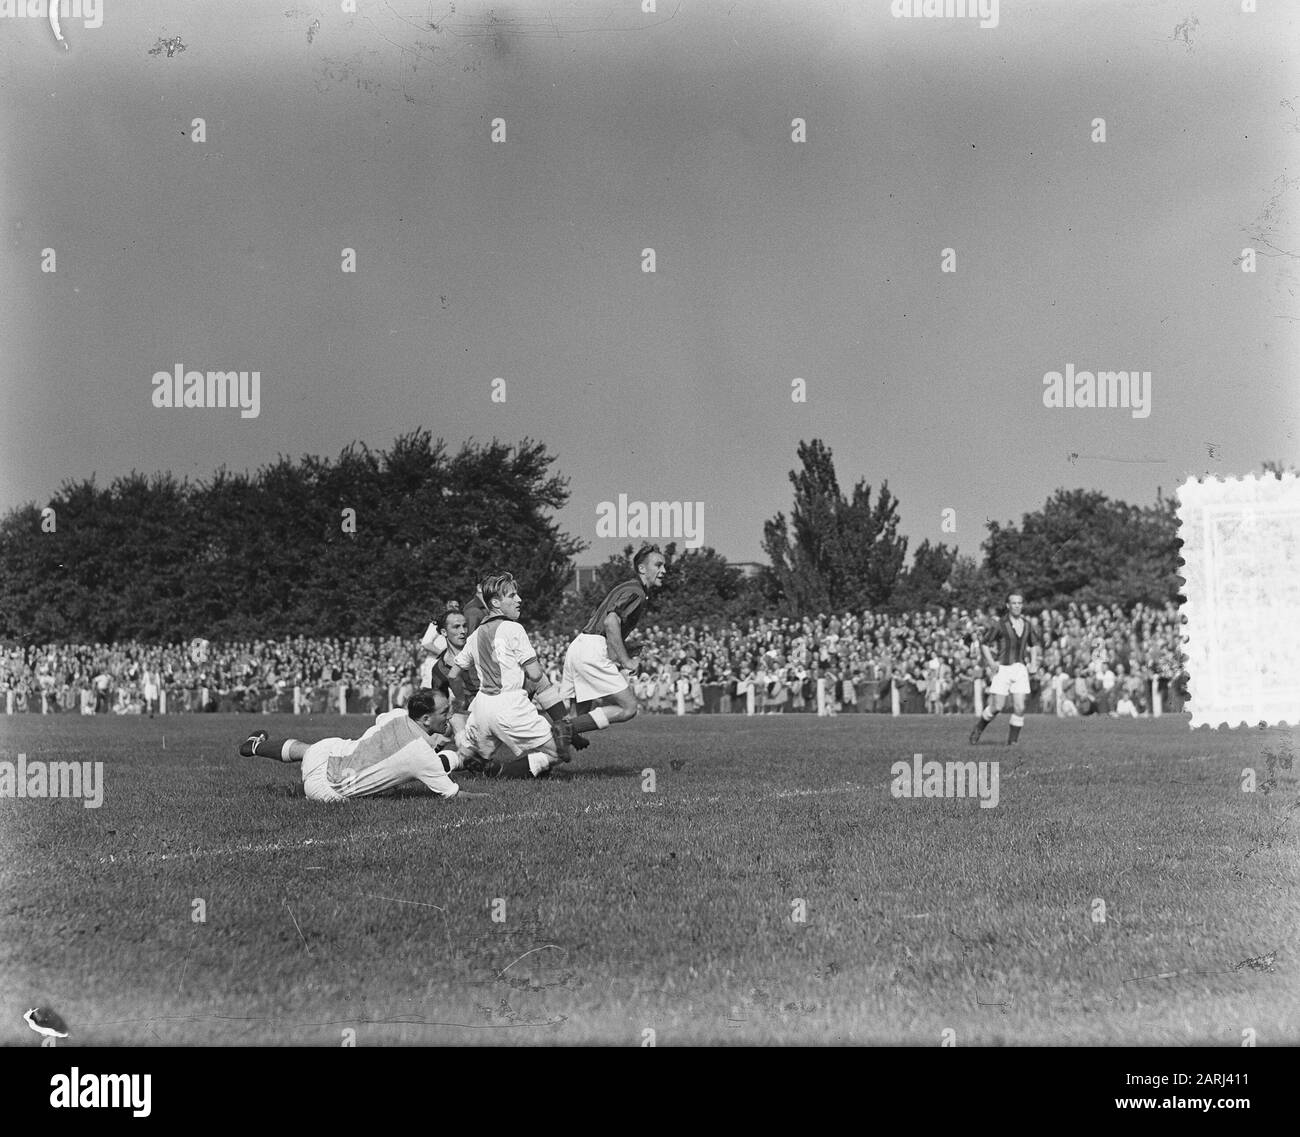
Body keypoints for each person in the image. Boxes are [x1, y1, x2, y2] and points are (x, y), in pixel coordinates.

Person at [445, 572, 572, 779]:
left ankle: (428, 766)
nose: (519, 600)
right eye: (512, 596)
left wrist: (460, 699)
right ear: (496, 602)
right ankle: (505, 772)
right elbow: (535, 673)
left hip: (482, 706)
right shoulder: (514, 628)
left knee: (468, 755)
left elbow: (453, 674)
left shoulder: (475, 634)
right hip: (510, 704)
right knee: (560, 751)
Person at [238, 688, 463, 801]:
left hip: (326, 758)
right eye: (445, 712)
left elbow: (381, 723)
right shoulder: (421, 755)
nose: (450, 716)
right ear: (425, 719)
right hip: (327, 791)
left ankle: (257, 747)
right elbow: (454, 794)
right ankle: (297, 789)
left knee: (312, 749)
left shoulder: (396, 715)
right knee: (447, 760)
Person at [559, 544, 667, 744]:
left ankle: (533, 764)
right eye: (658, 565)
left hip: (579, 646)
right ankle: (562, 730)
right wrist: (627, 661)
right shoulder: (637, 592)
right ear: (642, 568)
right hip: (592, 648)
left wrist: (624, 646)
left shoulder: (627, 587)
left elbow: (607, 624)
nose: (664, 571)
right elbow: (610, 622)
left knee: (575, 722)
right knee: (628, 708)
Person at [969, 591, 1042, 746]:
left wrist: (1034, 663)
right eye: (1013, 603)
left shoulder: (1027, 625)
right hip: (1003, 668)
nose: (1016, 606)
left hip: (1020, 668)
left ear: (1022, 605)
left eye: (1019, 603)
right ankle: (980, 726)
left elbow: (1033, 644)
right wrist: (991, 662)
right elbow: (984, 643)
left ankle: (1012, 742)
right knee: (997, 706)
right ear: (1008, 606)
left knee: (1020, 707)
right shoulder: (1000, 624)